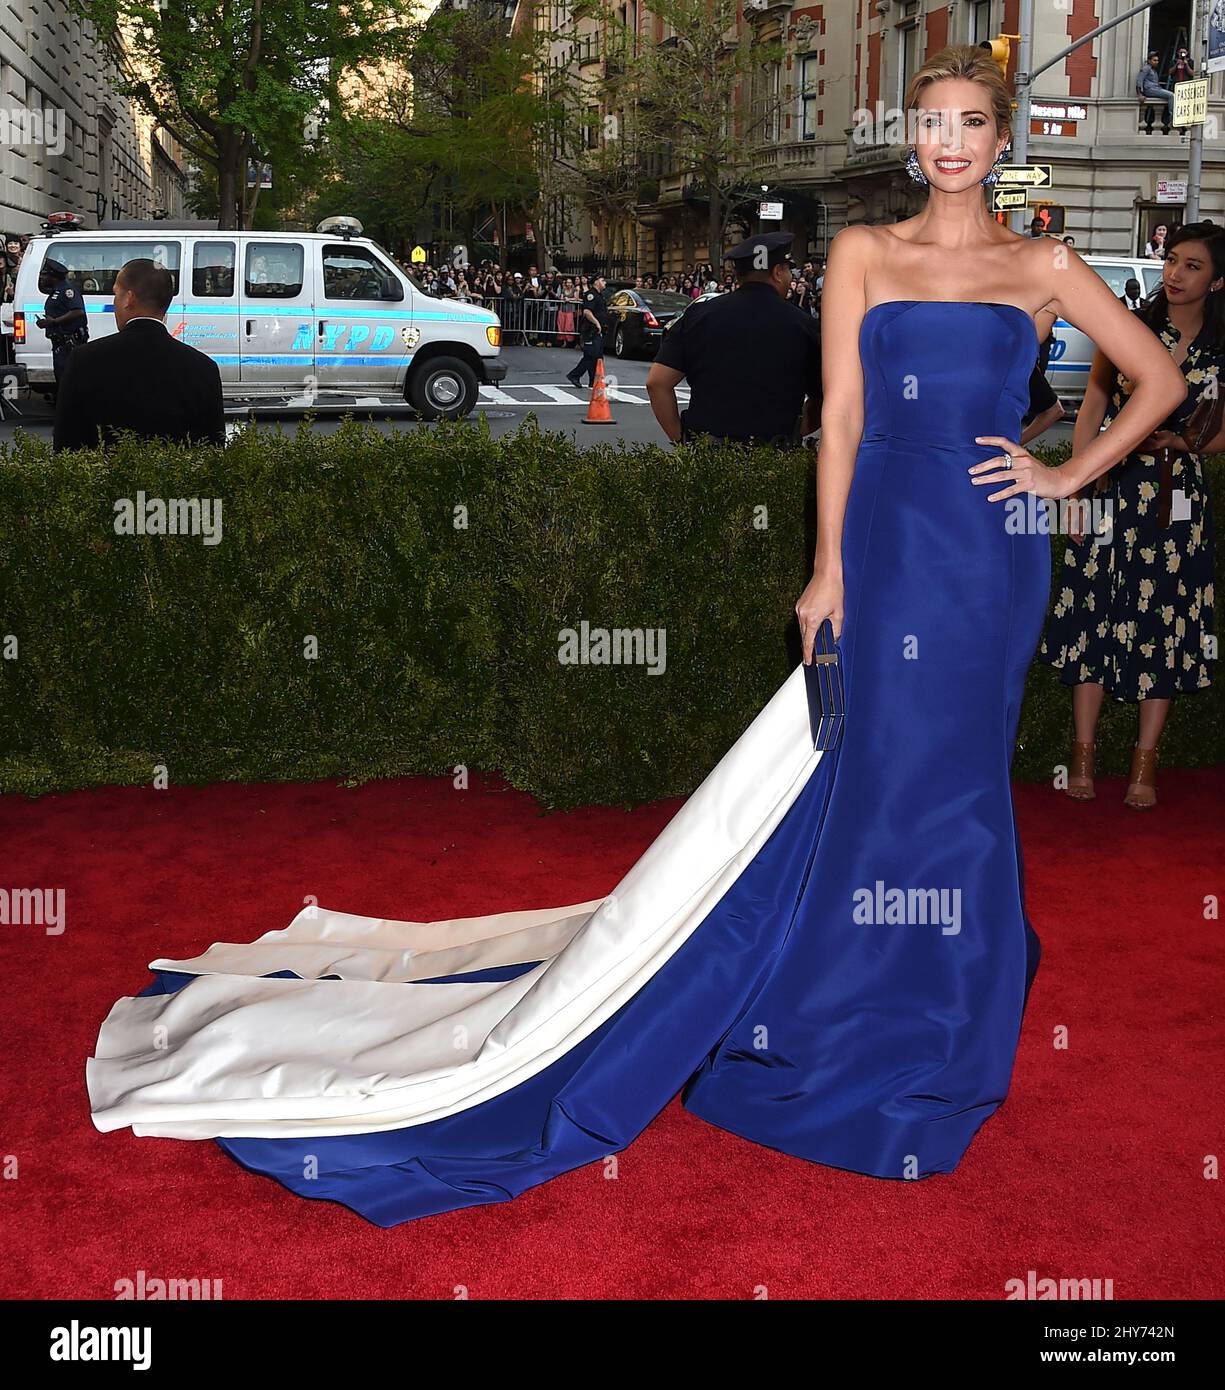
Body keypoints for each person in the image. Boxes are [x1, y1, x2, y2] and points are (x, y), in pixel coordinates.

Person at [84, 44, 1188, 1229]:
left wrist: (1063, 475)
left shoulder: (1043, 263)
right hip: (885, 546)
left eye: (971, 122)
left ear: (1000, 137)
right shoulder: (866, 251)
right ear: (911, 135)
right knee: (876, 779)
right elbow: (845, 420)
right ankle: (843, 1004)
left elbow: (1158, 380)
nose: (949, 143)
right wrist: (824, 573)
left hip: (987, 555)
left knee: (958, 786)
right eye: (931, 123)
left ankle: (943, 1013)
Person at [1039, 222, 1222, 807]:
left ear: (1218, 282)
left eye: (1193, 265)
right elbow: (1093, 402)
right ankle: (1083, 757)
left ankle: (1146, 764)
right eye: (1172, 260)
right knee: (1093, 609)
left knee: (1165, 622)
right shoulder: (1134, 327)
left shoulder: (1221, 349)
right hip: (1111, 483)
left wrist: (1186, 445)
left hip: (1177, 498)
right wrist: (1077, 481)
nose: (1175, 273)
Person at [646, 231, 822, 447]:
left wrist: (681, 439)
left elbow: (657, 383)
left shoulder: (698, 315)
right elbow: (824, 397)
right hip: (774, 459)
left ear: (738, 275)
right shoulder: (803, 324)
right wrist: (794, 432)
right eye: (788, 271)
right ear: (778, 272)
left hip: (710, 455)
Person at [53, 258, 224, 451]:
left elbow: (66, 444)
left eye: (116, 294)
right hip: (178, 477)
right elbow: (213, 448)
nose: (114, 302)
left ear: (129, 298)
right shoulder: (203, 367)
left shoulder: (84, 360)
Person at [36, 257, 89, 390]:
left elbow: (78, 311)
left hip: (69, 344)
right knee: (61, 378)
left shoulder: (67, 291)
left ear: (53, 276)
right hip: (59, 344)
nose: (42, 278)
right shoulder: (56, 291)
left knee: (69, 381)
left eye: (45, 275)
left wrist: (54, 321)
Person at [565, 273, 608, 388]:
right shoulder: (591, 295)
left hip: (598, 331)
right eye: (603, 280)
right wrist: (597, 323)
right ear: (596, 282)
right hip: (591, 330)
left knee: (598, 356)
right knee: (590, 355)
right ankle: (574, 375)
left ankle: (594, 380)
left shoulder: (600, 295)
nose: (605, 282)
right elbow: (587, 312)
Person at [1136, 50, 1174, 135]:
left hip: (1155, 88)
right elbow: (1139, 81)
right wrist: (1140, 95)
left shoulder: (1153, 70)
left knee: (1171, 95)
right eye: (1154, 60)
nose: (1157, 62)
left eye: (1157, 60)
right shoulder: (1146, 68)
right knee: (1171, 95)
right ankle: (1173, 118)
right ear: (1149, 61)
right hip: (1150, 90)